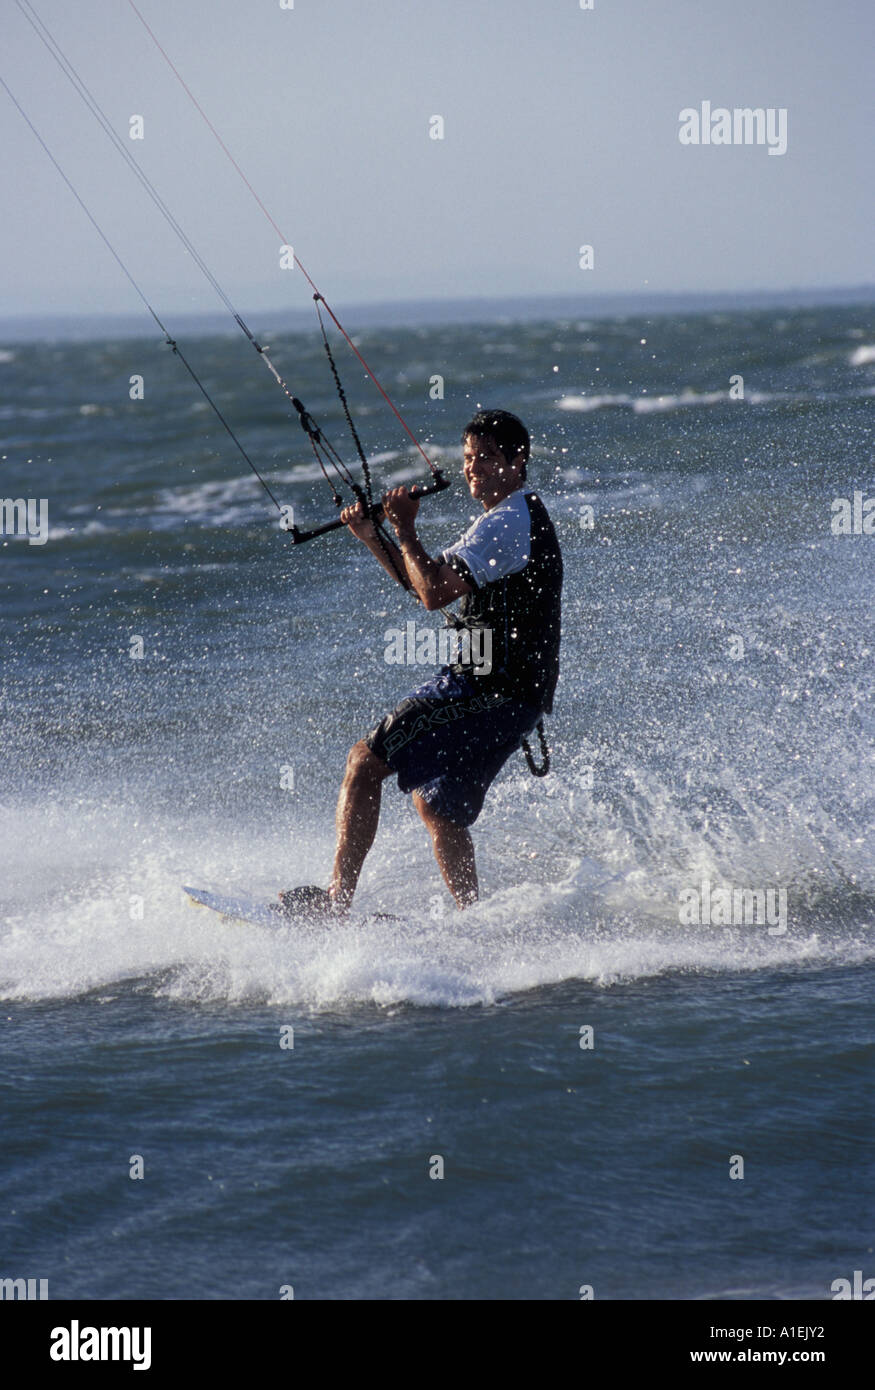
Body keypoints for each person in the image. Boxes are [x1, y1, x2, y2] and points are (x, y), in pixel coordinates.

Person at [280, 409, 562, 917]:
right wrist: (375, 536)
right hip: (513, 696)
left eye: (488, 459)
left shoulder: (509, 523)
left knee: (364, 763)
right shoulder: (505, 518)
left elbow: (432, 592)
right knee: (439, 808)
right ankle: (474, 918)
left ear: (519, 462)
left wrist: (406, 529)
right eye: (470, 459)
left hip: (491, 691)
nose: (474, 469)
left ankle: (334, 904)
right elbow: (424, 580)